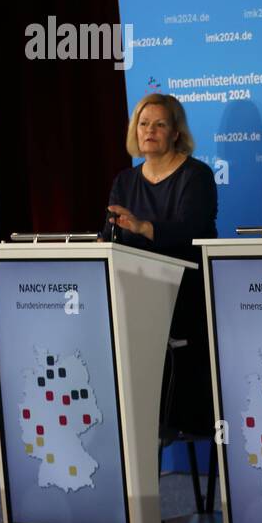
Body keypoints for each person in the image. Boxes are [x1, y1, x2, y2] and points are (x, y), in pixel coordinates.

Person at [102, 93, 218, 434]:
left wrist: (141, 227)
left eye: (160, 124)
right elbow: (109, 234)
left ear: (176, 133)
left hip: (184, 296)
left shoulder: (196, 176)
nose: (149, 130)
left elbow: (191, 230)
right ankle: (124, 424)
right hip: (135, 295)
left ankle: (168, 424)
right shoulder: (125, 181)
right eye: (143, 123)